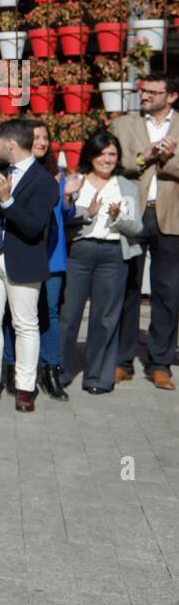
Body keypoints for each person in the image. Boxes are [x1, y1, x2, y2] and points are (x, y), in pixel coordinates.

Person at [0, 118, 60, 413]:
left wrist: (6, 200)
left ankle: (25, 387)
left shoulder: (44, 181)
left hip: (23, 258)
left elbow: (32, 226)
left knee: (25, 324)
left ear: (11, 144)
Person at [59, 132, 143, 394]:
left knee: (105, 318)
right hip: (79, 251)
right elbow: (62, 218)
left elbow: (137, 227)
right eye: (102, 153)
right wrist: (87, 212)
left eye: (112, 154)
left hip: (113, 255)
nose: (107, 159)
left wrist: (118, 217)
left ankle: (97, 377)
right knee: (69, 314)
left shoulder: (126, 186)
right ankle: (59, 372)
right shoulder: (76, 181)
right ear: (90, 155)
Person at [110, 72, 179, 390]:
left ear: (172, 96)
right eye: (143, 90)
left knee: (168, 293)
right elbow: (111, 162)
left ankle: (160, 363)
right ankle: (122, 361)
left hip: (171, 217)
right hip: (133, 215)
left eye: (153, 91)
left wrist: (167, 159)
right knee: (127, 289)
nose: (145, 95)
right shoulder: (124, 124)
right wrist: (144, 157)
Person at [0, 122, 72, 400]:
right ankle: (11, 367)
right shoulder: (7, 171)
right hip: (20, 251)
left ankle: (50, 369)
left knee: (49, 313)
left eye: (45, 136)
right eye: (35, 136)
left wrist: (67, 199)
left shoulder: (56, 174)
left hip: (51, 253)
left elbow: (66, 214)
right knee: (12, 313)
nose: (40, 141)